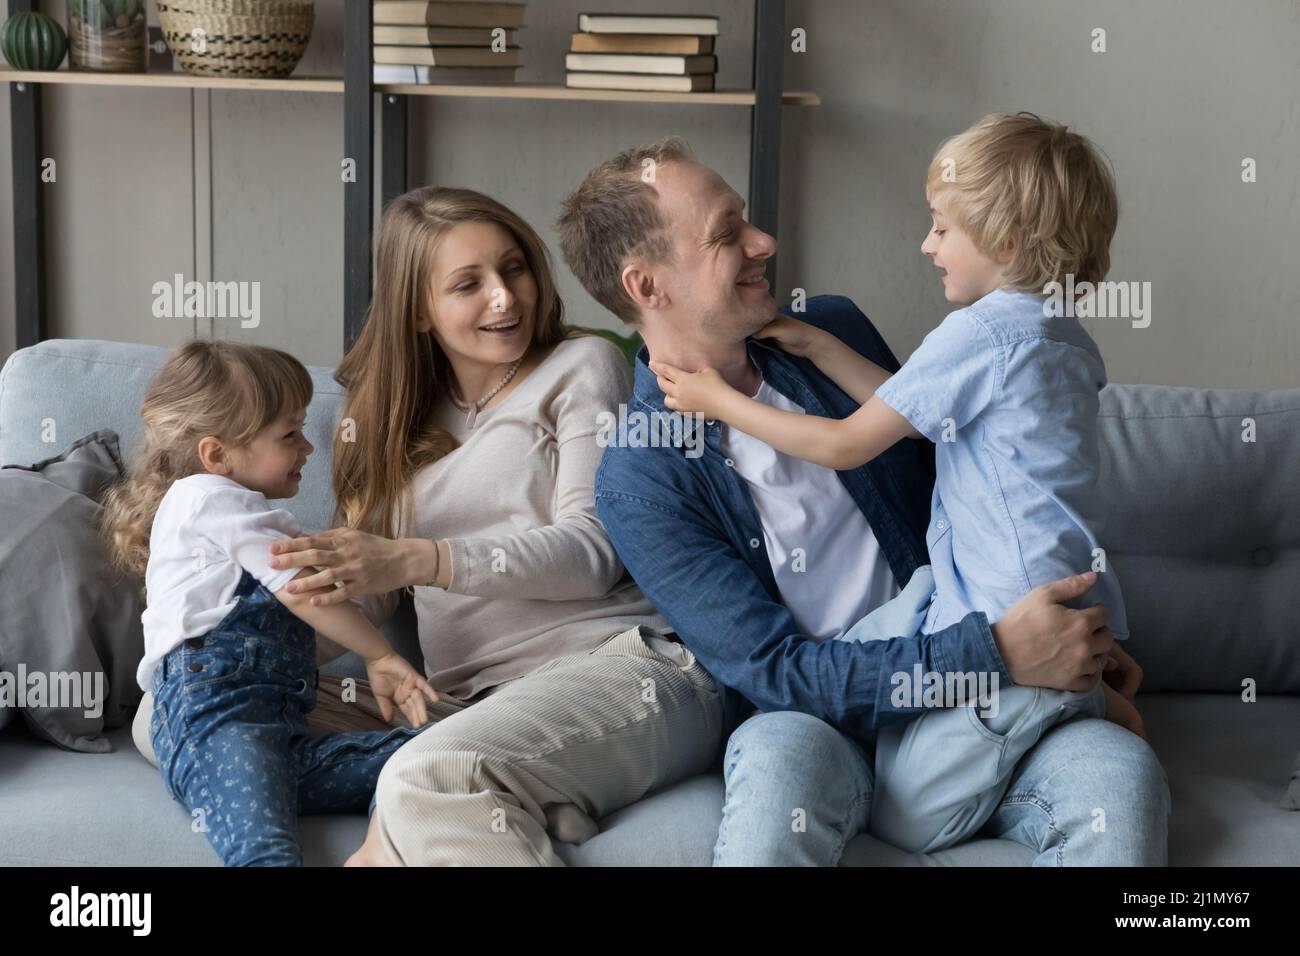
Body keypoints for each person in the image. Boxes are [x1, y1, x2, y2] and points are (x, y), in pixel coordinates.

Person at [561, 134, 1169, 865]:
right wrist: (996, 652)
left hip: (969, 636)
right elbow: (777, 675)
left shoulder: (831, 328)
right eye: (728, 234)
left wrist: (1077, 636)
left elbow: (977, 465)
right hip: (829, 718)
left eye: (746, 217)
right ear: (646, 287)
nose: (765, 240)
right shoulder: (642, 480)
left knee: (1119, 780)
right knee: (774, 781)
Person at [265, 186, 721, 866]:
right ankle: (510, 794)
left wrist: (418, 558)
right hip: (464, 706)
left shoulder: (582, 368)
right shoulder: (389, 425)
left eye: (513, 269)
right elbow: (368, 596)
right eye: (468, 284)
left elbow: (593, 552)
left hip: (624, 669)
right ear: (419, 311)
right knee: (187, 711)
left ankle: (442, 794)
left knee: (426, 776)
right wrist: (238, 637)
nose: (504, 297)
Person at [102, 340, 435, 866]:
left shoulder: (231, 516)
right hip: (217, 720)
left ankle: (521, 803)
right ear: (217, 454)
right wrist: (380, 656)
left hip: (278, 730)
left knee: (418, 758)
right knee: (265, 853)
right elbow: (304, 591)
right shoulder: (207, 497)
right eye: (289, 434)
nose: (309, 447)